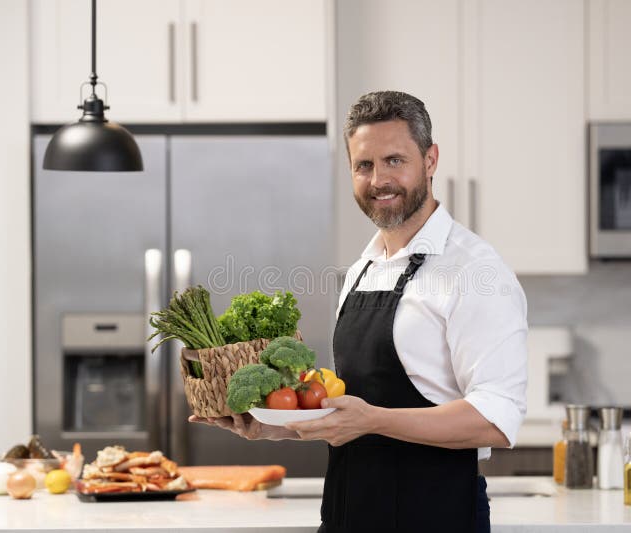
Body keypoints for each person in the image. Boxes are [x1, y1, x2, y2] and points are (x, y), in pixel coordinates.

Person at [191, 91, 528, 533]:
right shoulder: (360, 271)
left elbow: (495, 419)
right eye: (363, 166)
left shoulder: (474, 270)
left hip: (433, 519)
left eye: (394, 160)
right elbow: (350, 413)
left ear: (430, 160)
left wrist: (373, 420)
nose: (378, 180)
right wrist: (278, 426)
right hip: (348, 516)